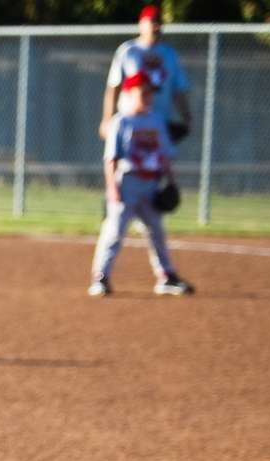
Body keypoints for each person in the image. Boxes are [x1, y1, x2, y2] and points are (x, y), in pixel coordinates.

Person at [90, 73, 193, 298]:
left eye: (151, 93)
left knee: (157, 231)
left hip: (151, 184)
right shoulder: (121, 121)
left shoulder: (156, 121)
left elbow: (164, 155)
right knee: (114, 232)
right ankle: (100, 277)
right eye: (143, 92)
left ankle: (166, 277)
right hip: (127, 183)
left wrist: (171, 181)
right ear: (129, 93)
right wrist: (112, 187)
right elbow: (110, 158)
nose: (148, 97)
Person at [100, 5, 192, 146]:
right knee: (127, 158)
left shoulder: (169, 54)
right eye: (152, 21)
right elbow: (114, 87)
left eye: (159, 22)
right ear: (141, 24)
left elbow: (178, 90)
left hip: (159, 123)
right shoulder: (128, 51)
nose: (156, 26)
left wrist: (187, 118)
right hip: (130, 123)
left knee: (160, 159)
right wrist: (107, 118)